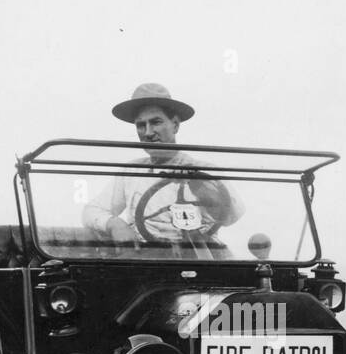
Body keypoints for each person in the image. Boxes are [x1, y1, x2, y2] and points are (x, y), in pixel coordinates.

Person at [83, 83, 243, 245]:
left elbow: (233, 214)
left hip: (201, 252)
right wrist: (114, 224)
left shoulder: (204, 170)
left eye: (156, 122)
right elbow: (92, 210)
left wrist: (198, 183)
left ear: (175, 125)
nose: (148, 133)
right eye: (141, 125)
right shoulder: (131, 172)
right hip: (149, 257)